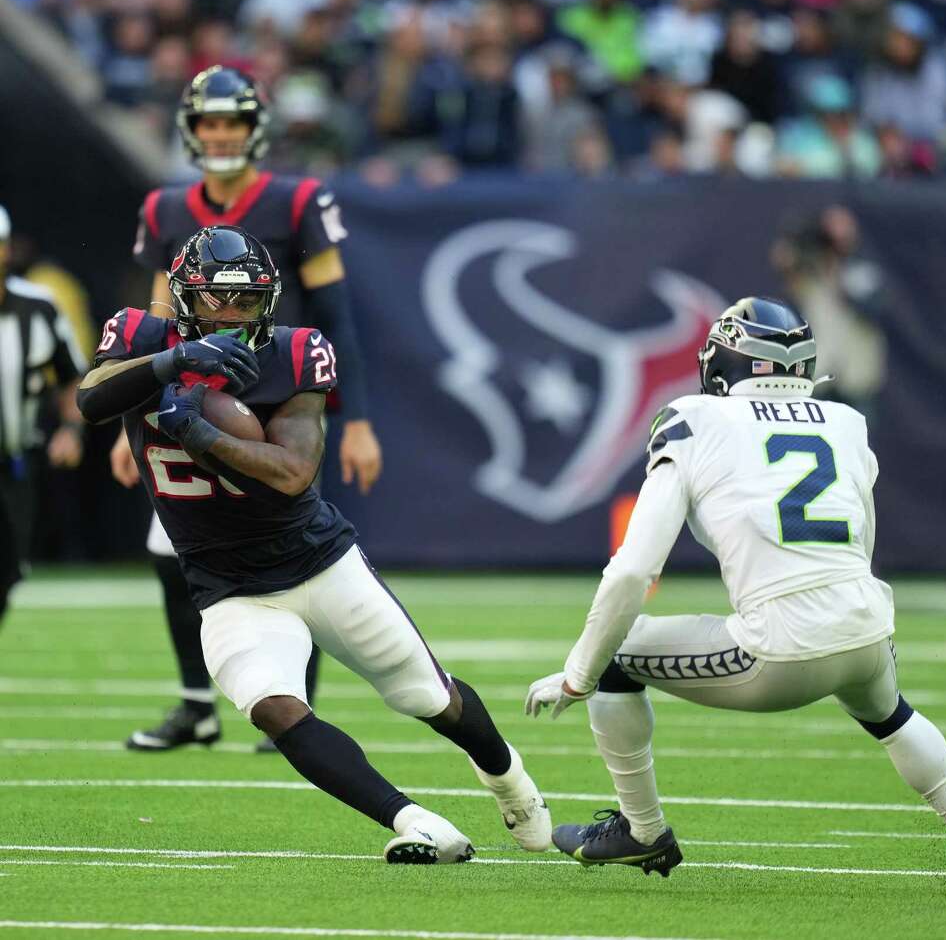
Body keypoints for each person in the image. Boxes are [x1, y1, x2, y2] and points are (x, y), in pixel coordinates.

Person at [78, 224, 551, 863]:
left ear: (268, 301)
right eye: (214, 299)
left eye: (244, 302)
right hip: (228, 587)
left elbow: (292, 471)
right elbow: (90, 398)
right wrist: (173, 364)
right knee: (274, 708)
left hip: (318, 564)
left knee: (426, 696)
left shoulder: (295, 351)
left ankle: (510, 781)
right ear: (185, 298)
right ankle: (415, 822)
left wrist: (197, 432)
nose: (229, 314)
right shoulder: (144, 336)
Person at [524, 297, 946, 895]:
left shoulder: (693, 419)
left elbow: (632, 572)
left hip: (779, 648)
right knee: (891, 715)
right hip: (866, 627)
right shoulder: (844, 422)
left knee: (618, 656)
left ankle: (643, 830)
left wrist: (579, 672)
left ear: (724, 363)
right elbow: (861, 536)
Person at [113, 65, 382, 752]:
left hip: (274, 401)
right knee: (164, 547)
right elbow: (153, 319)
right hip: (184, 403)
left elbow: (335, 315)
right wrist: (131, 414)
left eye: (232, 121)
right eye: (209, 123)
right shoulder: (165, 209)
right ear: (191, 130)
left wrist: (357, 419)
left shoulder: (295, 201)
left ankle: (296, 703)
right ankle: (198, 704)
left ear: (254, 129)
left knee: (290, 542)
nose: (221, 134)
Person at [0, 204, 87, 626]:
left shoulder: (38, 307)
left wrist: (71, 430)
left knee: (9, 572)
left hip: (14, 463)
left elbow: (73, 378)